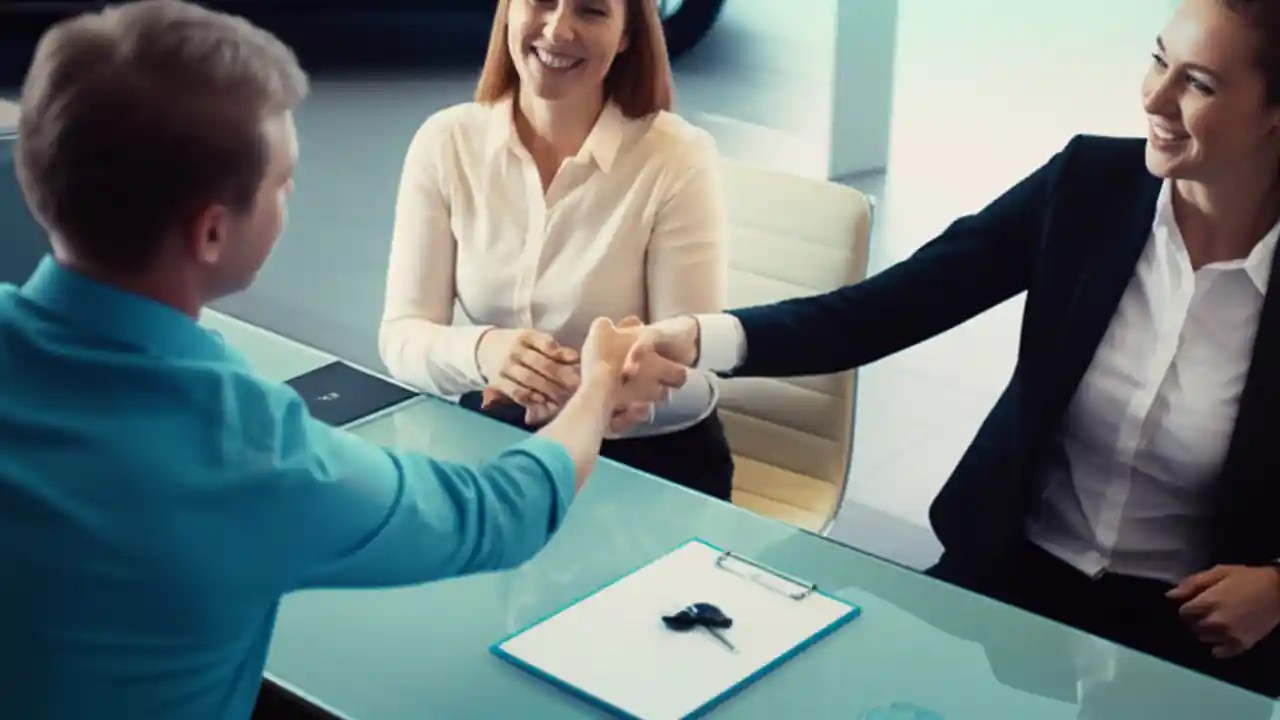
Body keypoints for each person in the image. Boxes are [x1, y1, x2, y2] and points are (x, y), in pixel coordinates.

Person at [0, 2, 683, 718]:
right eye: (281, 180)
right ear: (210, 232)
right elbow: (496, 513)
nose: (291, 193)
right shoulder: (245, 448)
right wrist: (597, 387)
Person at [632, 0, 1280, 698]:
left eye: (1199, 83)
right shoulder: (1089, 186)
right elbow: (888, 308)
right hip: (1007, 580)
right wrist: (701, 337)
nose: (1154, 97)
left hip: (1200, 630)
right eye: (1157, 59)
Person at [378, 0, 735, 500]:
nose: (558, 28)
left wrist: (607, 390)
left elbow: (699, 380)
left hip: (647, 466)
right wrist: (484, 351)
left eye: (590, 12)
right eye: (541, 2)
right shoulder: (446, 142)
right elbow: (401, 337)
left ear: (628, 34)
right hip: (502, 439)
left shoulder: (678, 158)